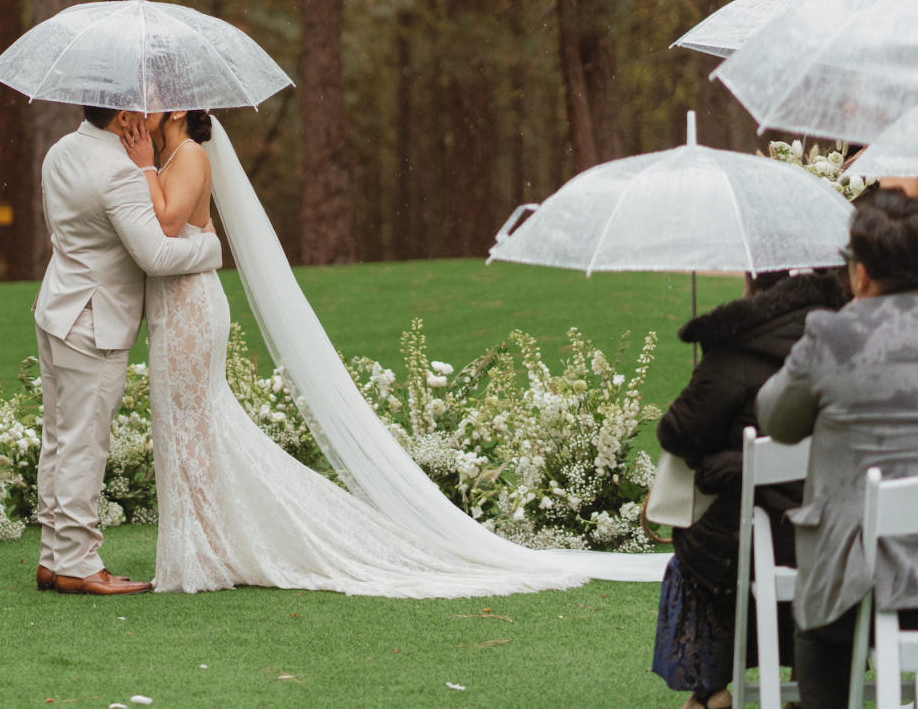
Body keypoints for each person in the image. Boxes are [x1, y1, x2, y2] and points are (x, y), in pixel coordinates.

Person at [123, 110, 591, 597]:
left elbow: (168, 224)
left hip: (190, 315)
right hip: (175, 310)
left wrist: (141, 167)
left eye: (154, 99)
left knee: (194, 425)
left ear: (178, 110)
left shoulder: (189, 155)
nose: (141, 108)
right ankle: (204, 546)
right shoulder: (172, 156)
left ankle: (208, 548)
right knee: (185, 425)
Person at [758, 189, 918, 709]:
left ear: (861, 272)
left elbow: (777, 421)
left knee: (821, 635)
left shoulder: (834, 334)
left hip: (851, 578)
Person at [33, 105, 223, 595]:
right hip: (94, 322)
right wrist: (209, 248)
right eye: (148, 106)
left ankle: (54, 556)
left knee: (58, 438)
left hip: (57, 308)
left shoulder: (60, 151)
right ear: (123, 118)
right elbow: (156, 255)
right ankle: (78, 562)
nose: (157, 111)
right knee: (83, 442)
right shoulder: (118, 171)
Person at [650, 270, 848, 709]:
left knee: (698, 554)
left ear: (750, 283)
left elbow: (679, 433)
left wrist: (723, 459)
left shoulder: (734, 349)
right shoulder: (850, 340)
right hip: (845, 532)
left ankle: (710, 690)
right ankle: (806, 675)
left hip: (763, 534)